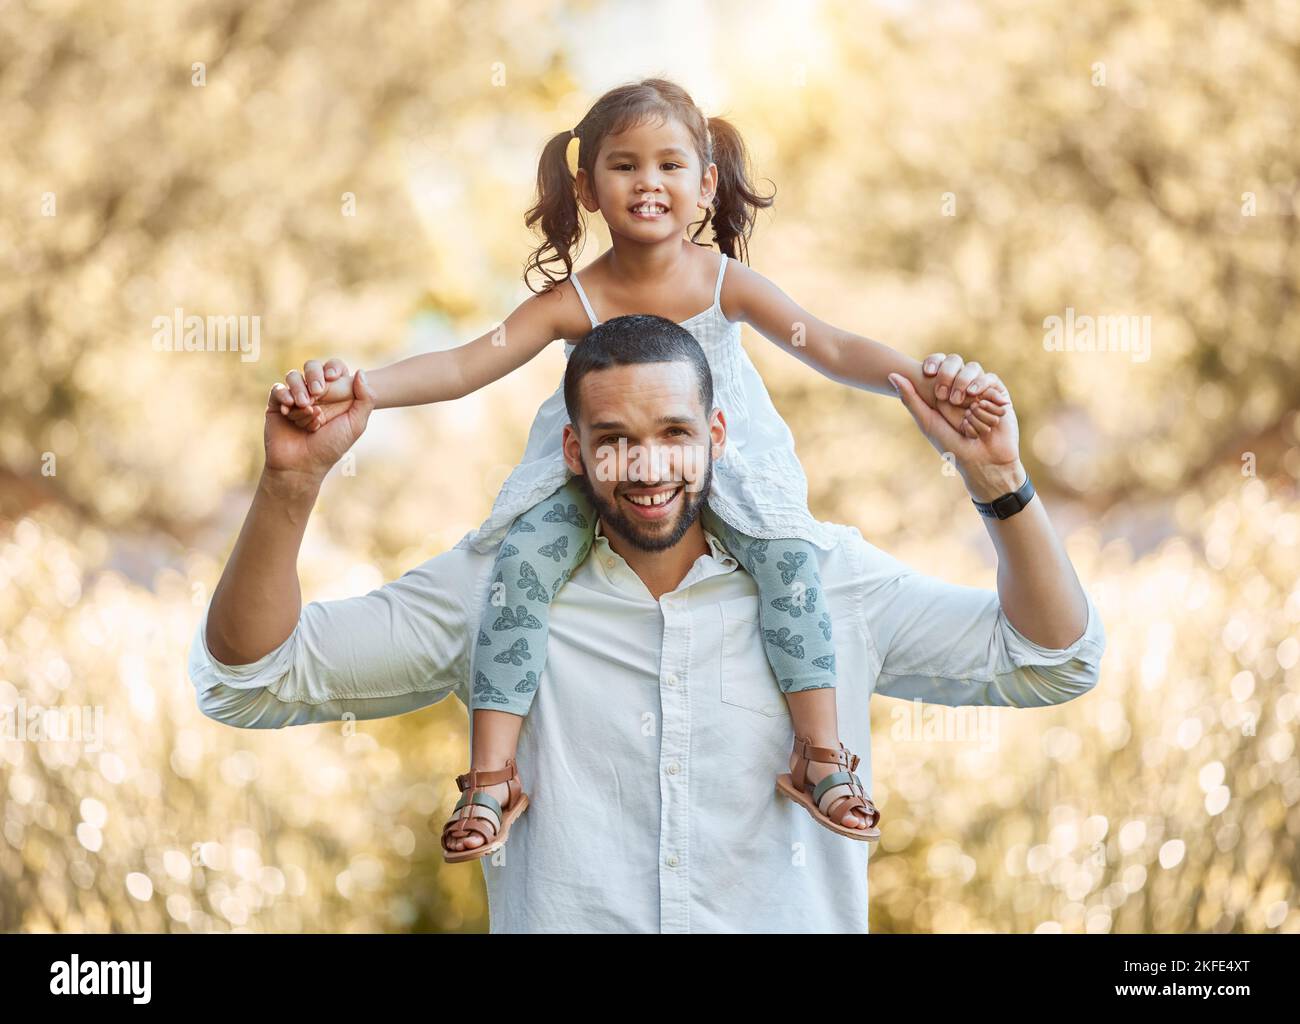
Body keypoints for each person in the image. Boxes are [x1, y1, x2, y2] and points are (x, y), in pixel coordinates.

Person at [269, 77, 1011, 857]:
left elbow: (826, 345)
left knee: (790, 566)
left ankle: (821, 758)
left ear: (706, 183)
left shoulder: (725, 282)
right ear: (588, 187)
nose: (648, 183)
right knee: (520, 565)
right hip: (602, 467)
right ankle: (492, 778)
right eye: (624, 166)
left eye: (669, 165)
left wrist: (916, 383)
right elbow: (465, 364)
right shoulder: (574, 299)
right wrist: (365, 391)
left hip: (720, 462)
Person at [192, 317, 1106, 934]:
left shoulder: (828, 584)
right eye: (614, 437)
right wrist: (291, 483)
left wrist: (998, 481)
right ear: (572, 448)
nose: (647, 465)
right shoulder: (496, 591)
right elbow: (250, 677)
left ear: (715, 434)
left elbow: (1052, 658)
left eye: (674, 432)